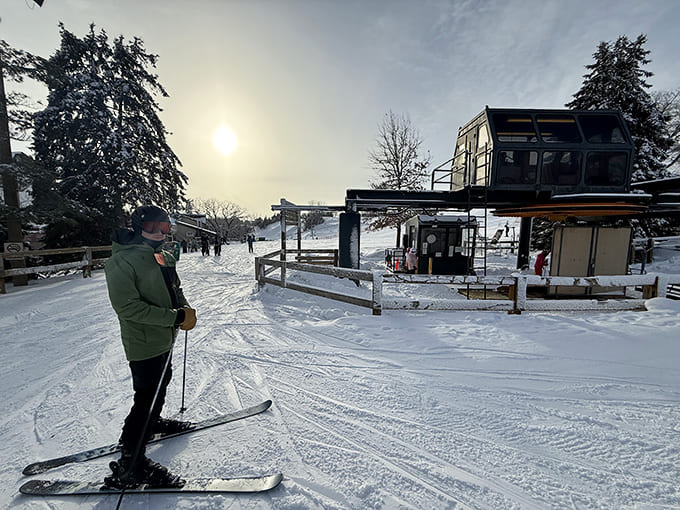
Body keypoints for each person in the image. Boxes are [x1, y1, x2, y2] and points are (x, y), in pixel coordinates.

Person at [104, 205, 197, 488]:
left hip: (164, 337)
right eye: (151, 228)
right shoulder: (121, 262)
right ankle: (131, 462)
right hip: (143, 341)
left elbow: (173, 288)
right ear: (137, 227)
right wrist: (174, 317)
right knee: (145, 397)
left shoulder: (161, 254)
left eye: (164, 227)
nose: (158, 233)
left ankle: (151, 423)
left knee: (161, 384)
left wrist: (184, 307)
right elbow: (127, 308)